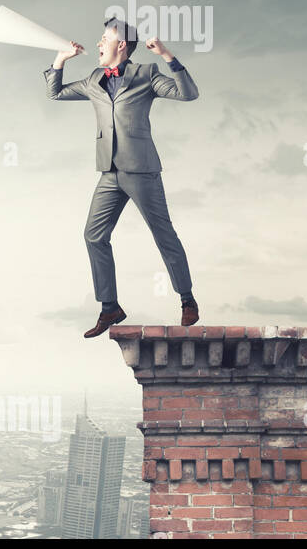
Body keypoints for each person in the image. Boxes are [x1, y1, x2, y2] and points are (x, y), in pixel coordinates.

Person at [44, 17, 199, 338]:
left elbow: (188, 94)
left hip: (141, 170)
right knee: (93, 236)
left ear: (122, 45)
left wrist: (168, 57)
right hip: (109, 171)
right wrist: (60, 59)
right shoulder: (94, 78)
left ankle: (187, 299)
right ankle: (109, 307)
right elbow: (55, 93)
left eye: (104, 39)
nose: (99, 44)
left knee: (163, 235)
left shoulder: (146, 75)